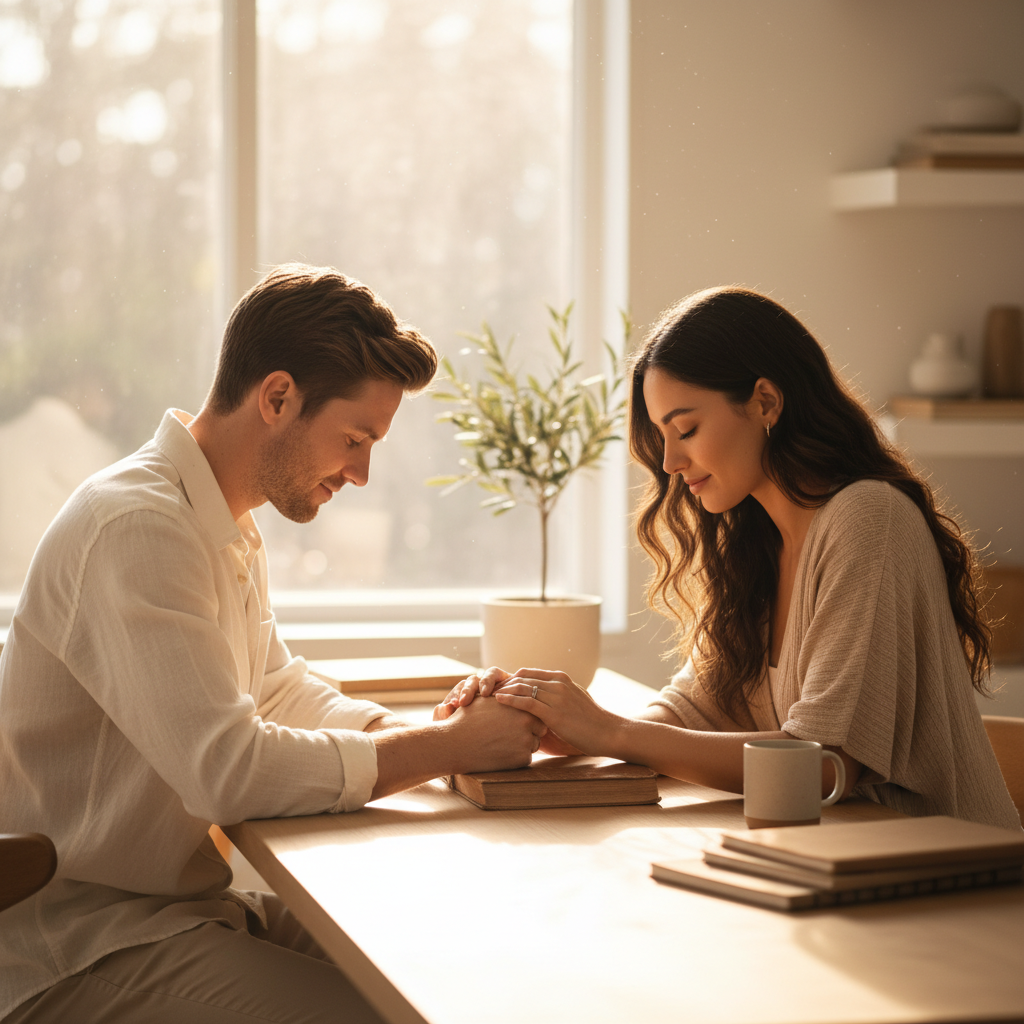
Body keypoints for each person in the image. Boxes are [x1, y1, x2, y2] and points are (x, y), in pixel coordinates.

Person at [0, 264, 545, 1023]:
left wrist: (418, 732)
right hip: (77, 944)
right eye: (354, 439)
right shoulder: (138, 527)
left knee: (439, 978)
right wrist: (447, 748)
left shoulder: (217, 520)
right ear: (278, 397)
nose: (359, 472)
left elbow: (276, 685)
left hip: (169, 915)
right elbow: (226, 771)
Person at [440, 286, 1020, 832]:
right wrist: (550, 718)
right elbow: (693, 710)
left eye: (685, 429)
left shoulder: (868, 519)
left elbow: (819, 764)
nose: (668, 462)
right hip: (836, 864)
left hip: (949, 884)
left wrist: (610, 730)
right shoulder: (755, 542)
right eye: (661, 436)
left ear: (765, 402)